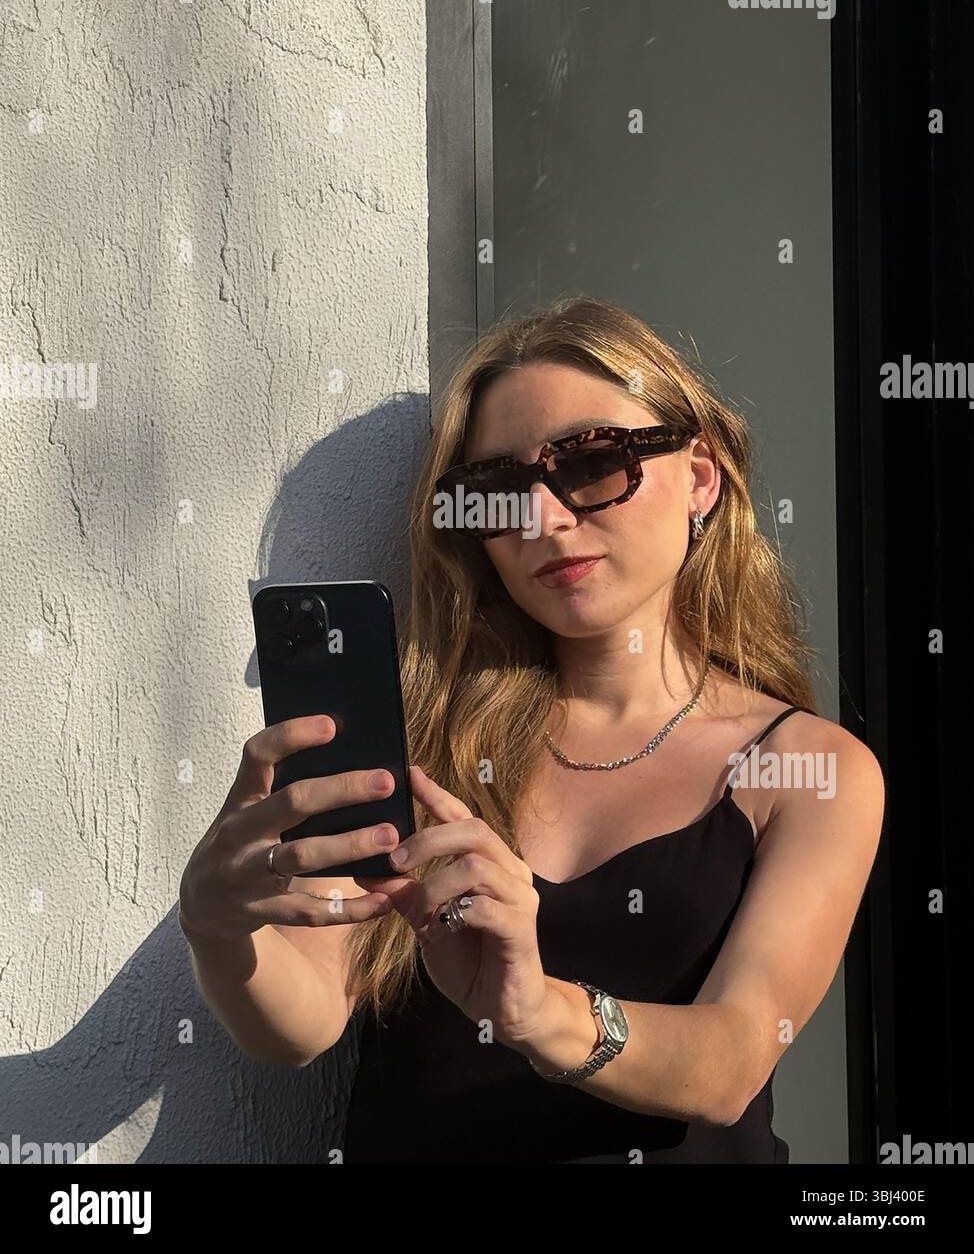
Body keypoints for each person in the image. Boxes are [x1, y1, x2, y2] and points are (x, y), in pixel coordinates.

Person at [179, 294, 885, 1164]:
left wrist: (535, 1011)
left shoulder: (804, 767)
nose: (545, 519)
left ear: (700, 478)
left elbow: (731, 1059)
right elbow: (305, 1022)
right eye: (497, 489)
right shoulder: (426, 737)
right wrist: (218, 930)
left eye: (594, 463)